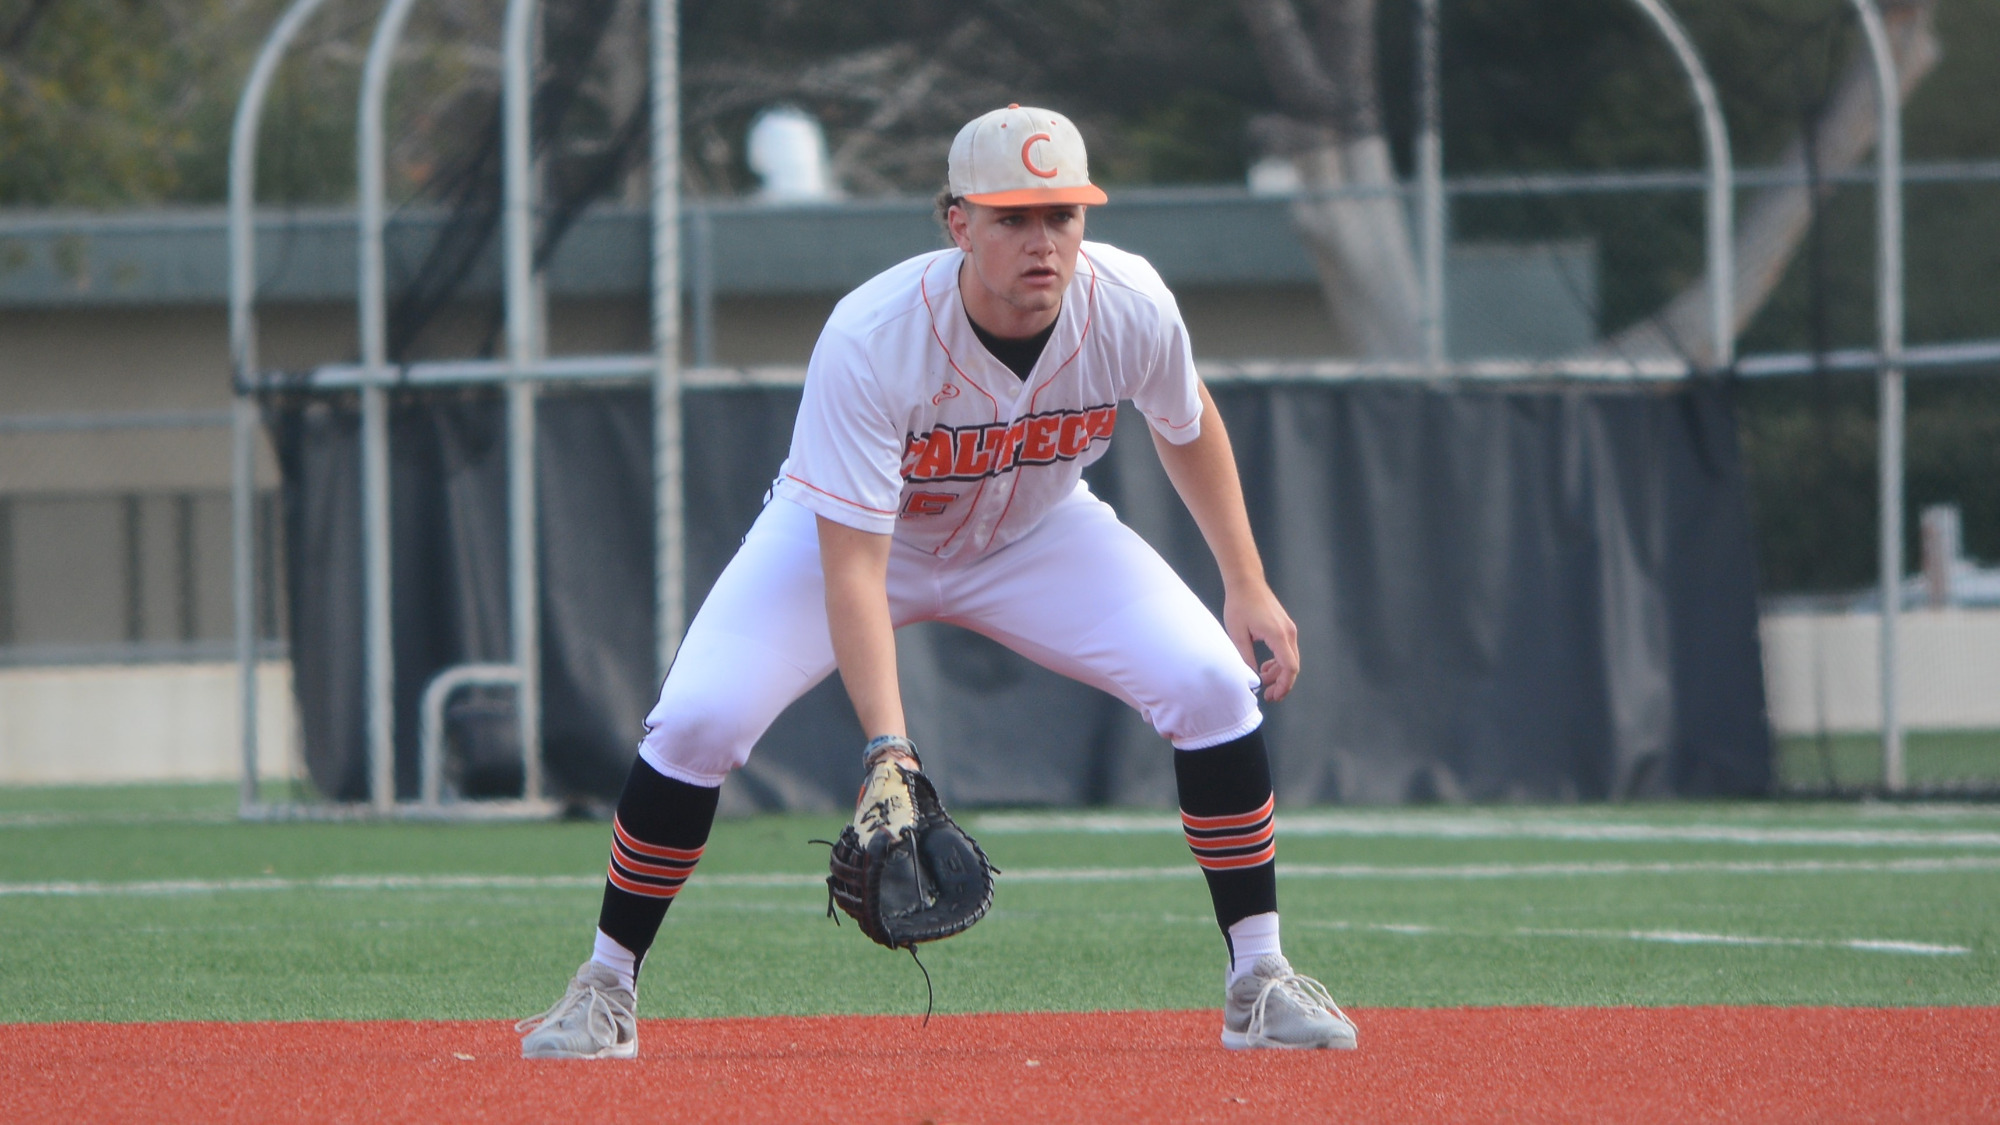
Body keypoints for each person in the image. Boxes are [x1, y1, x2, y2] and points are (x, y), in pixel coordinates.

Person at [517, 104, 1356, 1058]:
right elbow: (854, 571)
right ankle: (606, 984)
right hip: (852, 538)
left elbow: (1186, 419)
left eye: (1062, 215)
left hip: (1037, 530)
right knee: (696, 722)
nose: (1043, 242)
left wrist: (1245, 581)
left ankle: (1260, 980)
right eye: (1012, 218)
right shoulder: (875, 336)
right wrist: (890, 748)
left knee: (1213, 687)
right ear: (958, 222)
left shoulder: (1128, 302)